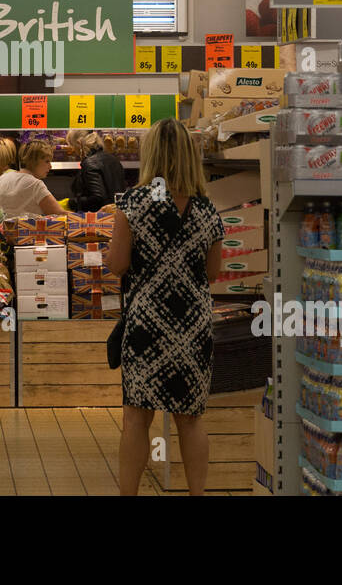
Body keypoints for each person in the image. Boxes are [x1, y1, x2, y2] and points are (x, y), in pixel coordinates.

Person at [105, 118, 224, 496]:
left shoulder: (133, 204)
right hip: (193, 325)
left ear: (151, 155)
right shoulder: (207, 210)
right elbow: (213, 272)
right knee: (190, 418)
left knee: (136, 418)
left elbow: (118, 263)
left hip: (147, 325)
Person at [0, 140, 64, 219]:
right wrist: (76, 216)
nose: (50, 166)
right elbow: (60, 214)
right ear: (34, 161)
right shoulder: (35, 184)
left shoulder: (3, 178)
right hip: (28, 230)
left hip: (3, 230)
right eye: (47, 161)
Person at [68, 129, 127, 212]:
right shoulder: (113, 159)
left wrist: (71, 203)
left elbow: (97, 198)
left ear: (79, 143)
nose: (74, 151)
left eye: (72, 146)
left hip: (99, 220)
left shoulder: (90, 163)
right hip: (117, 215)